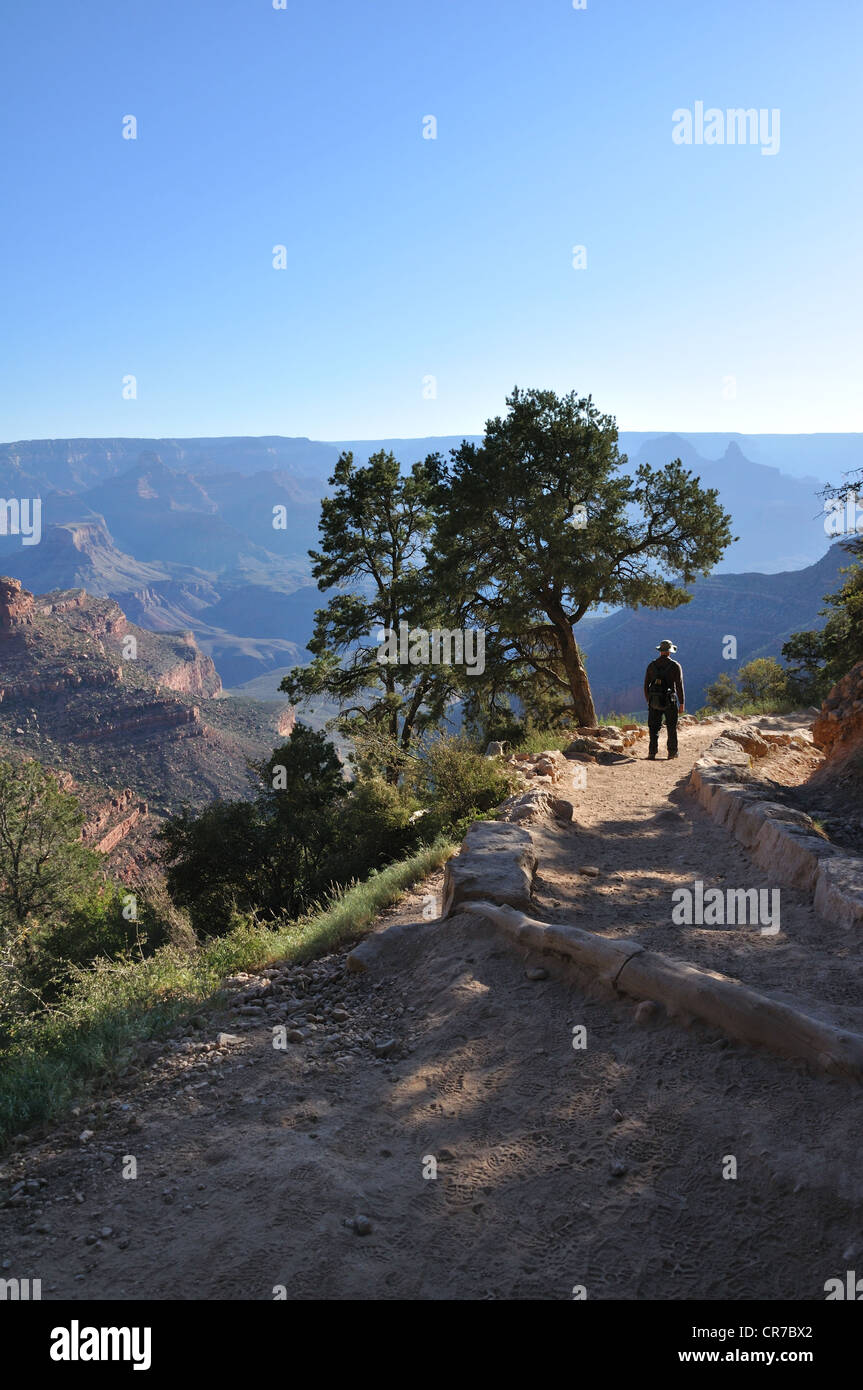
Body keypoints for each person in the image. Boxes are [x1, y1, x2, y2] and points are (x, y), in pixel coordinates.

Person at [644, 639, 685, 760]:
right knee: (671, 727)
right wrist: (681, 703)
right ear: (670, 651)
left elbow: (646, 685)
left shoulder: (652, 665)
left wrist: (649, 700)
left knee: (653, 727)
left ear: (660, 651)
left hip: (654, 701)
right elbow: (679, 686)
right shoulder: (675, 666)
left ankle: (652, 752)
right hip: (669, 701)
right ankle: (672, 752)